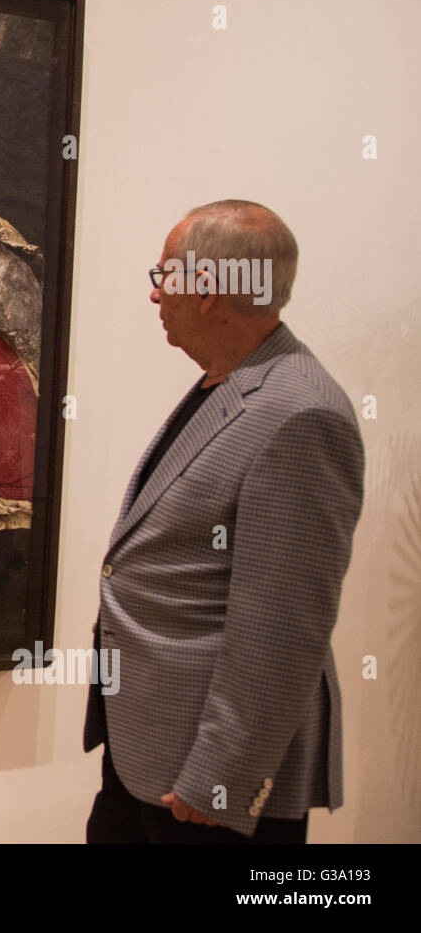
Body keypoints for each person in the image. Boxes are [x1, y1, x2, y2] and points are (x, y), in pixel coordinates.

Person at [84, 200, 364, 843]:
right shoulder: (231, 384)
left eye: (164, 278)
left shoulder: (300, 413)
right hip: (148, 751)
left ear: (209, 291)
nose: (155, 297)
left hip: (207, 787)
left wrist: (224, 774)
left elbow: (285, 625)